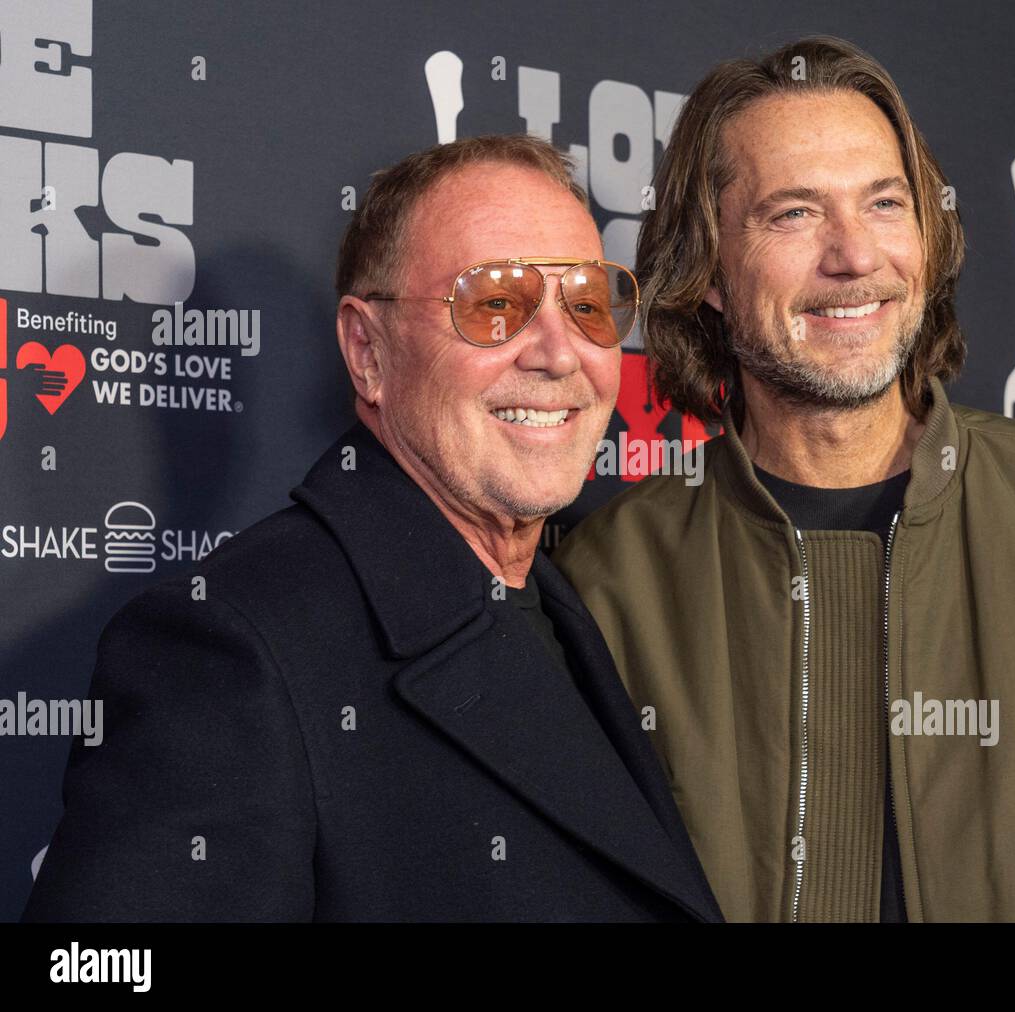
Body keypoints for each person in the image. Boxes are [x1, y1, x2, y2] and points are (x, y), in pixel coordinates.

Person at [552, 36, 1015, 922]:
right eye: (794, 214)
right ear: (709, 270)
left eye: (884, 203)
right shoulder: (608, 580)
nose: (856, 256)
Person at [23, 135, 722, 923]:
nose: (562, 353)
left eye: (589, 304)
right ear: (368, 351)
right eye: (495, 303)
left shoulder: (569, 601)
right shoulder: (231, 652)